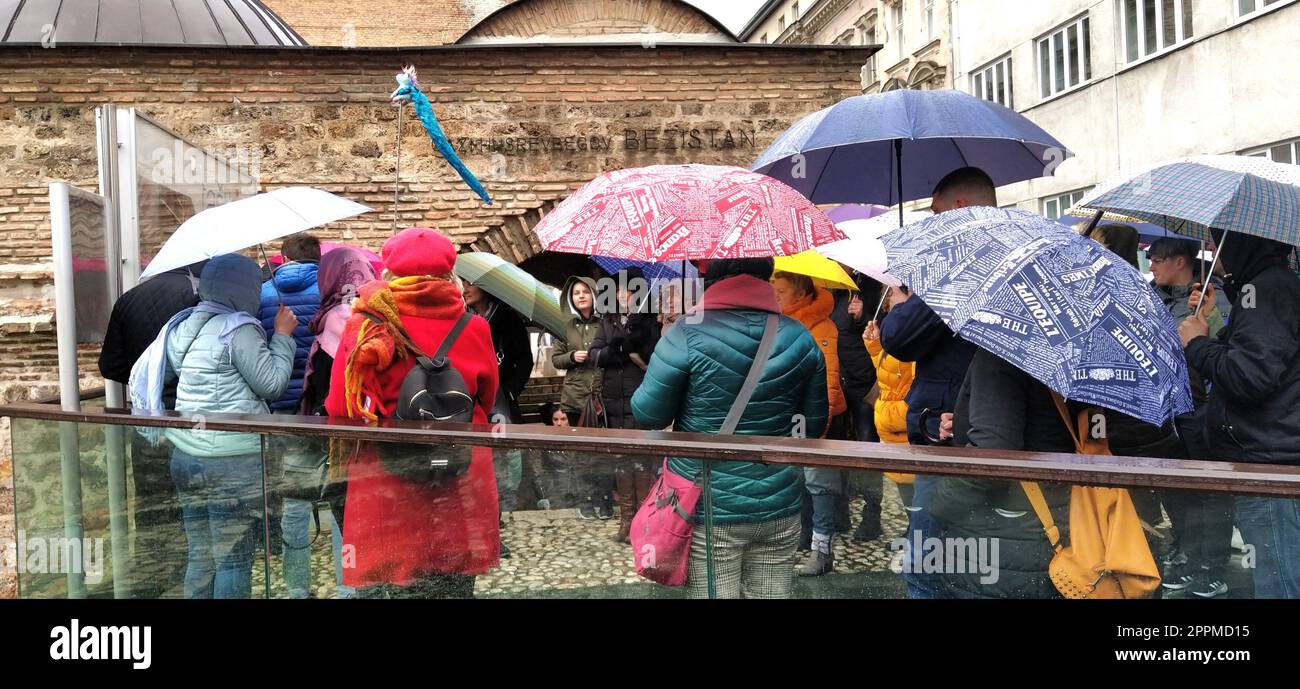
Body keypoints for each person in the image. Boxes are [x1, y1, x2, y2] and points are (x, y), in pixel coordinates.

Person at [633, 258, 829, 599]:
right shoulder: (800, 336)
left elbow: (648, 414)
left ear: (710, 277)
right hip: (779, 502)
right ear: (766, 276)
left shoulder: (686, 332)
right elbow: (811, 428)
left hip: (709, 503)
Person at [325, 227, 500, 599]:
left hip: (390, 485)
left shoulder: (368, 325)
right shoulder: (476, 327)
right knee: (453, 586)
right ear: (449, 274)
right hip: (459, 478)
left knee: (393, 583)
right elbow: (486, 398)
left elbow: (340, 408)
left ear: (390, 274)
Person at [879, 166, 989, 597]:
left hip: (949, 435)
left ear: (960, 207)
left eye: (938, 211)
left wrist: (903, 302)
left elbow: (901, 339)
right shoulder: (1010, 253)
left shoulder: (964, 263)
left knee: (927, 566)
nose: (935, 220)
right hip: (996, 431)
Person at [162, 254, 297, 599]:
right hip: (232, 459)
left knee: (201, 553)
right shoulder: (239, 327)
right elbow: (271, 385)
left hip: (186, 453)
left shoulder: (186, 325)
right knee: (233, 558)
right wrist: (282, 336)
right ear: (245, 287)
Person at [1180, 229, 1300, 599]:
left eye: (1221, 241)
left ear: (1246, 241)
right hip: (1266, 455)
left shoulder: (1270, 289)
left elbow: (1250, 376)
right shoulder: (1265, 288)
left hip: (1267, 466)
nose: (1215, 249)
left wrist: (1197, 344)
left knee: (1279, 583)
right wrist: (1215, 318)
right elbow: (1253, 356)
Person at [929, 348, 1080, 598]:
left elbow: (993, 449)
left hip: (1005, 531)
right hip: (1064, 516)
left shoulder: (1002, 350)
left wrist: (941, 502)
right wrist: (967, 422)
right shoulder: (1079, 353)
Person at [98, 259, 205, 598]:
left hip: (145, 420)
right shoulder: (198, 297)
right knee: (195, 507)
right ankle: (190, 578)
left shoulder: (128, 299)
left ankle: (152, 581)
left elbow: (109, 366)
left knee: (150, 505)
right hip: (191, 420)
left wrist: (143, 376)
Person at [1142, 237, 1233, 598]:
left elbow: (1224, 349)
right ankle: (1182, 553)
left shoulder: (1214, 295)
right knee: (1174, 487)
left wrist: (1205, 318)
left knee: (1208, 491)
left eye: (1156, 260)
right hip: (1164, 408)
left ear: (1180, 261)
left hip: (1202, 407)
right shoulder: (1148, 296)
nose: (1150, 267)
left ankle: (1211, 564)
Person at [299, 246, 377, 600]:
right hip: (378, 440)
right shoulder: (377, 317)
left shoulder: (330, 323)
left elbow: (326, 395)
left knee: (344, 521)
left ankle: (351, 590)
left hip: (342, 443)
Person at [258, 232, 322, 599]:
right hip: (322, 409)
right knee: (341, 493)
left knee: (294, 500)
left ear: (282, 257)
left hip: (279, 408)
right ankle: (350, 589)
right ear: (318, 258)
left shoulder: (265, 295)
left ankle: (298, 590)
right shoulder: (330, 292)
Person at [773, 271, 846, 576]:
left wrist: (820, 428)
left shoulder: (821, 327)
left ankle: (822, 549)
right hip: (793, 418)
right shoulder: (782, 325)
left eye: (781, 291)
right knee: (800, 480)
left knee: (820, 484)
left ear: (802, 294)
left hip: (816, 422)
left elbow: (829, 384)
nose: (774, 296)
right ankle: (804, 537)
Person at [588, 267, 661, 543]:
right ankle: (626, 521)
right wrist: (620, 350)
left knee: (641, 462)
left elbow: (653, 355)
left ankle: (644, 523)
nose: (620, 295)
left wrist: (629, 351)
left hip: (639, 398)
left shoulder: (649, 320)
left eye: (626, 290)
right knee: (620, 461)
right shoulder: (608, 319)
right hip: (611, 400)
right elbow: (594, 354)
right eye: (617, 290)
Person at [464, 278, 534, 556]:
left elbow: (524, 359)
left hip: (501, 403)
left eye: (471, 284)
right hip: (471, 403)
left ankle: (496, 523)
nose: (465, 288)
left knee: (503, 463)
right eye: (463, 283)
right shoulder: (462, 318)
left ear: (486, 287)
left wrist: (511, 390)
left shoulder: (507, 318)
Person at [831, 272, 884, 543]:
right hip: (839, 383)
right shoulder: (836, 286)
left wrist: (864, 317)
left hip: (865, 385)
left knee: (867, 453)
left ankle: (872, 517)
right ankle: (840, 514)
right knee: (839, 450)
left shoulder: (874, 287)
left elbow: (883, 334)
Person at [552, 275, 610, 519]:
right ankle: (585, 500)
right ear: (571, 299)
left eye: (585, 291)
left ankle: (604, 499)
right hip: (575, 397)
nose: (581, 296)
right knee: (581, 452)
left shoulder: (605, 323)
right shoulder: (565, 327)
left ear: (594, 295)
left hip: (601, 396)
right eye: (576, 293)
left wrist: (599, 355)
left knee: (603, 451)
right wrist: (572, 356)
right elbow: (556, 359)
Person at [864, 287, 917, 519]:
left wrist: (885, 415)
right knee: (909, 499)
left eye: (894, 293)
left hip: (903, 429)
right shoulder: (897, 332)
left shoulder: (916, 337)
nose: (889, 299)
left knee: (917, 501)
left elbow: (912, 389)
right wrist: (876, 347)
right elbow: (889, 375)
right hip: (893, 432)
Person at [529, 401, 578, 510]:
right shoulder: (545, 443)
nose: (559, 423)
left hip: (579, 492)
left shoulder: (579, 441)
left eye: (563, 419)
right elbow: (537, 471)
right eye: (555, 420)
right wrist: (543, 496)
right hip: (555, 494)